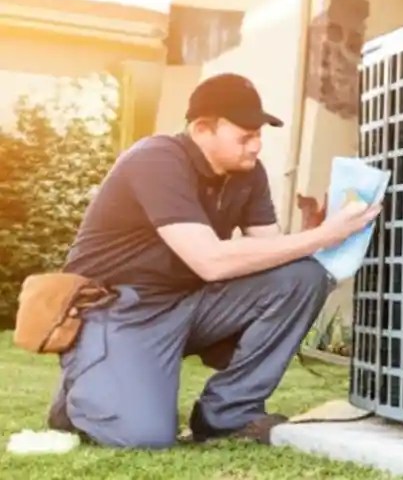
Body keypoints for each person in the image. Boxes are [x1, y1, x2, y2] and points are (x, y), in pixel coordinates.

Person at [46, 73, 382, 448]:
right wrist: (320, 237)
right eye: (245, 136)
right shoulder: (155, 160)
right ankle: (83, 388)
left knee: (303, 276)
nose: (256, 146)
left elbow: (272, 254)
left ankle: (228, 413)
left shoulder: (248, 174)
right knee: (142, 436)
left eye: (259, 135)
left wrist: (316, 238)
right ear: (203, 129)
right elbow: (210, 261)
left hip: (191, 301)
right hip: (121, 308)